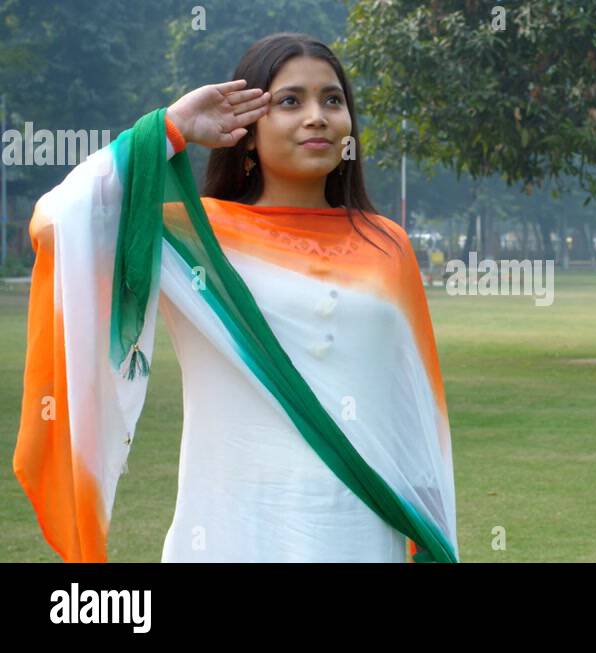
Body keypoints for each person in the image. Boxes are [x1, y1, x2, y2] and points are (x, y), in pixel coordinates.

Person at [12, 33, 458, 563]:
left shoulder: (387, 245)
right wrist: (170, 129)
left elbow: (413, 408)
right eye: (290, 101)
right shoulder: (194, 239)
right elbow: (58, 221)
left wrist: (431, 535)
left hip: (360, 527)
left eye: (332, 100)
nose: (317, 116)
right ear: (247, 130)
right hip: (231, 528)